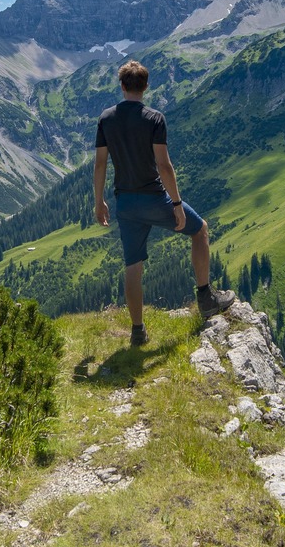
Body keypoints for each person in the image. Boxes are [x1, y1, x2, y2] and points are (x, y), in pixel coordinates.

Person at [94, 60, 235, 347]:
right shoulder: (154, 118)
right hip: (154, 197)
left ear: (122, 86)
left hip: (125, 202)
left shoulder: (106, 118)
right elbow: (164, 165)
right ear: (145, 87)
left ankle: (137, 331)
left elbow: (100, 164)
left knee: (133, 265)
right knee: (200, 230)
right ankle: (206, 298)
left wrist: (99, 202)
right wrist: (177, 203)